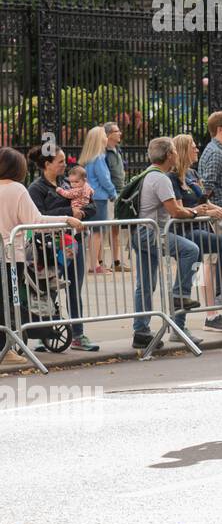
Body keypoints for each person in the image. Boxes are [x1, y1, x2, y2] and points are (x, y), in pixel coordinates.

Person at [0, 148, 84, 356]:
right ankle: (5, 349)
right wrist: (65, 219)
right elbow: (36, 221)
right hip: (12, 257)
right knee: (7, 302)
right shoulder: (17, 190)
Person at [127, 137, 205, 351]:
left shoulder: (149, 174)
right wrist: (197, 212)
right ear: (169, 155)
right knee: (191, 249)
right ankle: (180, 296)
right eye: (174, 152)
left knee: (145, 283)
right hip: (152, 234)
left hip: (140, 232)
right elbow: (175, 211)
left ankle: (141, 332)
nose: (177, 155)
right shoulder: (160, 178)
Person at [26, 145, 99, 352]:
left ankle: (78, 334)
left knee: (75, 290)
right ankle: (44, 334)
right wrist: (69, 212)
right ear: (47, 164)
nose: (65, 165)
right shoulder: (36, 188)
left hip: (74, 244)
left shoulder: (70, 183)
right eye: (60, 161)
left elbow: (92, 206)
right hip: (48, 247)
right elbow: (40, 214)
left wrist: (80, 214)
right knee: (50, 290)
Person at [170, 133, 222, 341]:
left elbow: (204, 201)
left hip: (198, 231)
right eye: (193, 146)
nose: (197, 149)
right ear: (183, 150)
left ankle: (180, 327)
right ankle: (219, 293)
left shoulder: (191, 173)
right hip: (184, 232)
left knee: (186, 281)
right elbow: (180, 209)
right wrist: (207, 212)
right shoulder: (172, 177)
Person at [80, 126, 117, 273]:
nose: (106, 137)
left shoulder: (89, 159)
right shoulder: (99, 158)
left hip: (90, 197)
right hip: (100, 198)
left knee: (94, 232)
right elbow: (105, 179)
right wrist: (113, 193)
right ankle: (94, 265)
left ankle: (95, 263)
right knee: (97, 232)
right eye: (104, 135)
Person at [102, 121, 129, 272]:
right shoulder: (104, 153)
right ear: (109, 135)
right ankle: (100, 262)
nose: (120, 133)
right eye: (116, 131)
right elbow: (105, 176)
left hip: (119, 192)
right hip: (110, 194)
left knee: (116, 228)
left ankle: (116, 261)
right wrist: (112, 192)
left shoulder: (117, 150)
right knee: (105, 228)